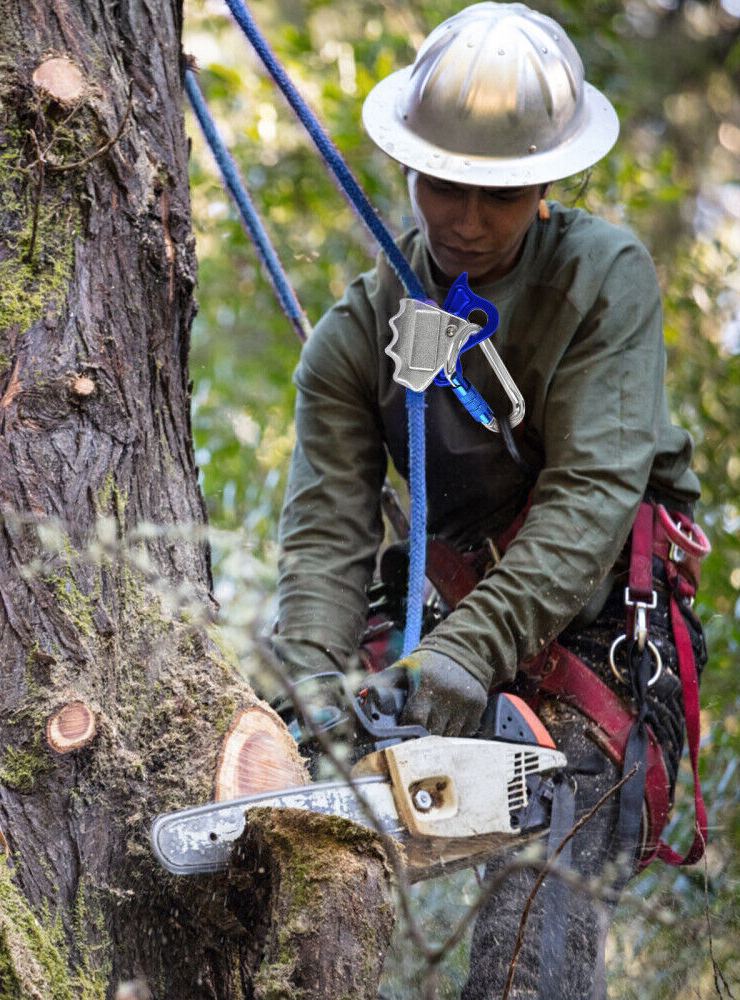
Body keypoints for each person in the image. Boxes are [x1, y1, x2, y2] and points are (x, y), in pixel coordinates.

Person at [271, 3, 708, 997]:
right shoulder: (355, 336)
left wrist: (472, 648)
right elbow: (326, 534)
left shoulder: (601, 281)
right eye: (442, 187)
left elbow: (591, 494)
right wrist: (311, 696)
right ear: (406, 170)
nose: (465, 221)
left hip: (600, 635)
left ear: (544, 183)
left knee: (539, 893)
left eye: (497, 196)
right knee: (299, 847)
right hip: (432, 625)